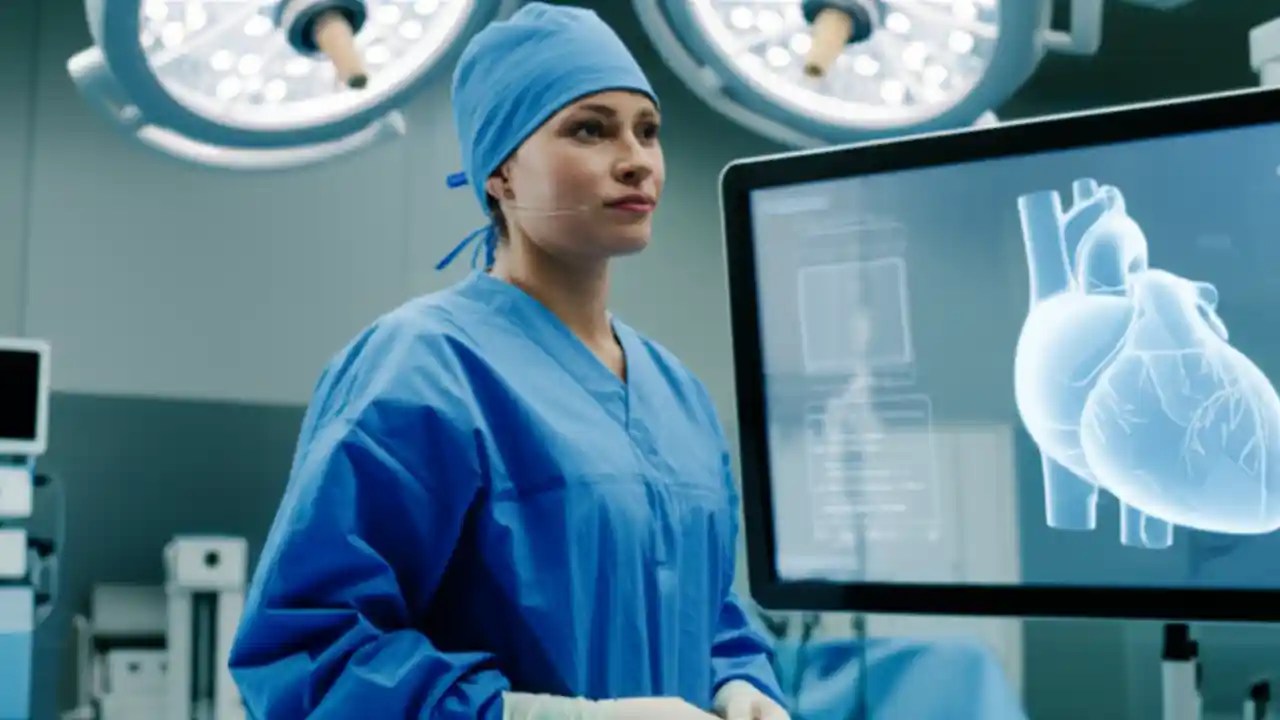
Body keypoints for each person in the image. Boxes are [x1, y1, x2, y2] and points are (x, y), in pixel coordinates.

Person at [228, 4, 788, 720]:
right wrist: (539, 717)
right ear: (500, 174)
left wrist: (739, 684)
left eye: (648, 131)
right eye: (590, 128)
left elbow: (704, 608)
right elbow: (312, 653)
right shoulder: (424, 368)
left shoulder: (678, 395)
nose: (637, 159)